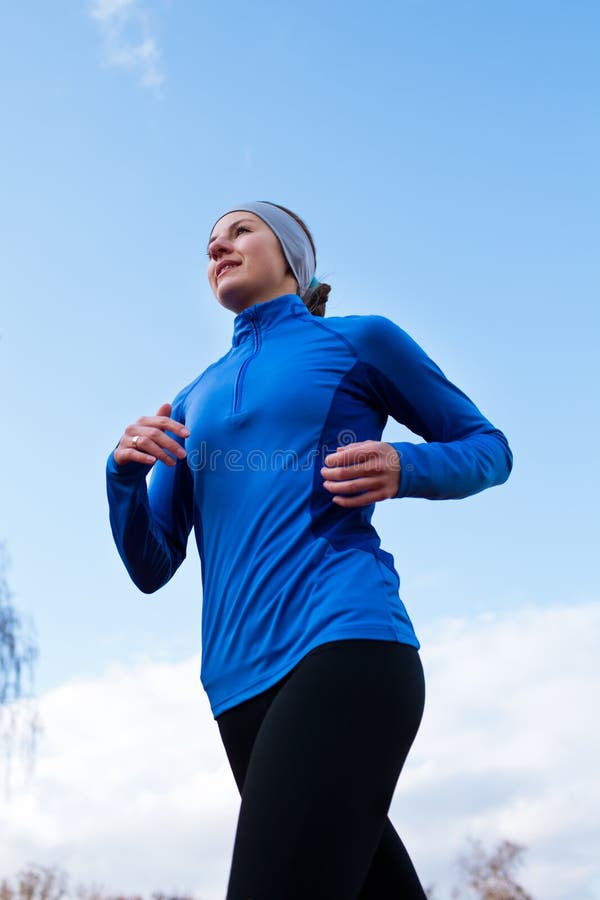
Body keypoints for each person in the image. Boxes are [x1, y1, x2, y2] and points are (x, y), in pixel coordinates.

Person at [106, 201, 513, 899]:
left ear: (293, 259)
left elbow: (488, 450)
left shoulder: (361, 341)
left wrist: (404, 466)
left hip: (345, 644)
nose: (219, 248)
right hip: (235, 689)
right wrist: (120, 479)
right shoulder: (190, 399)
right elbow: (152, 563)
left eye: (240, 231)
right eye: (210, 243)